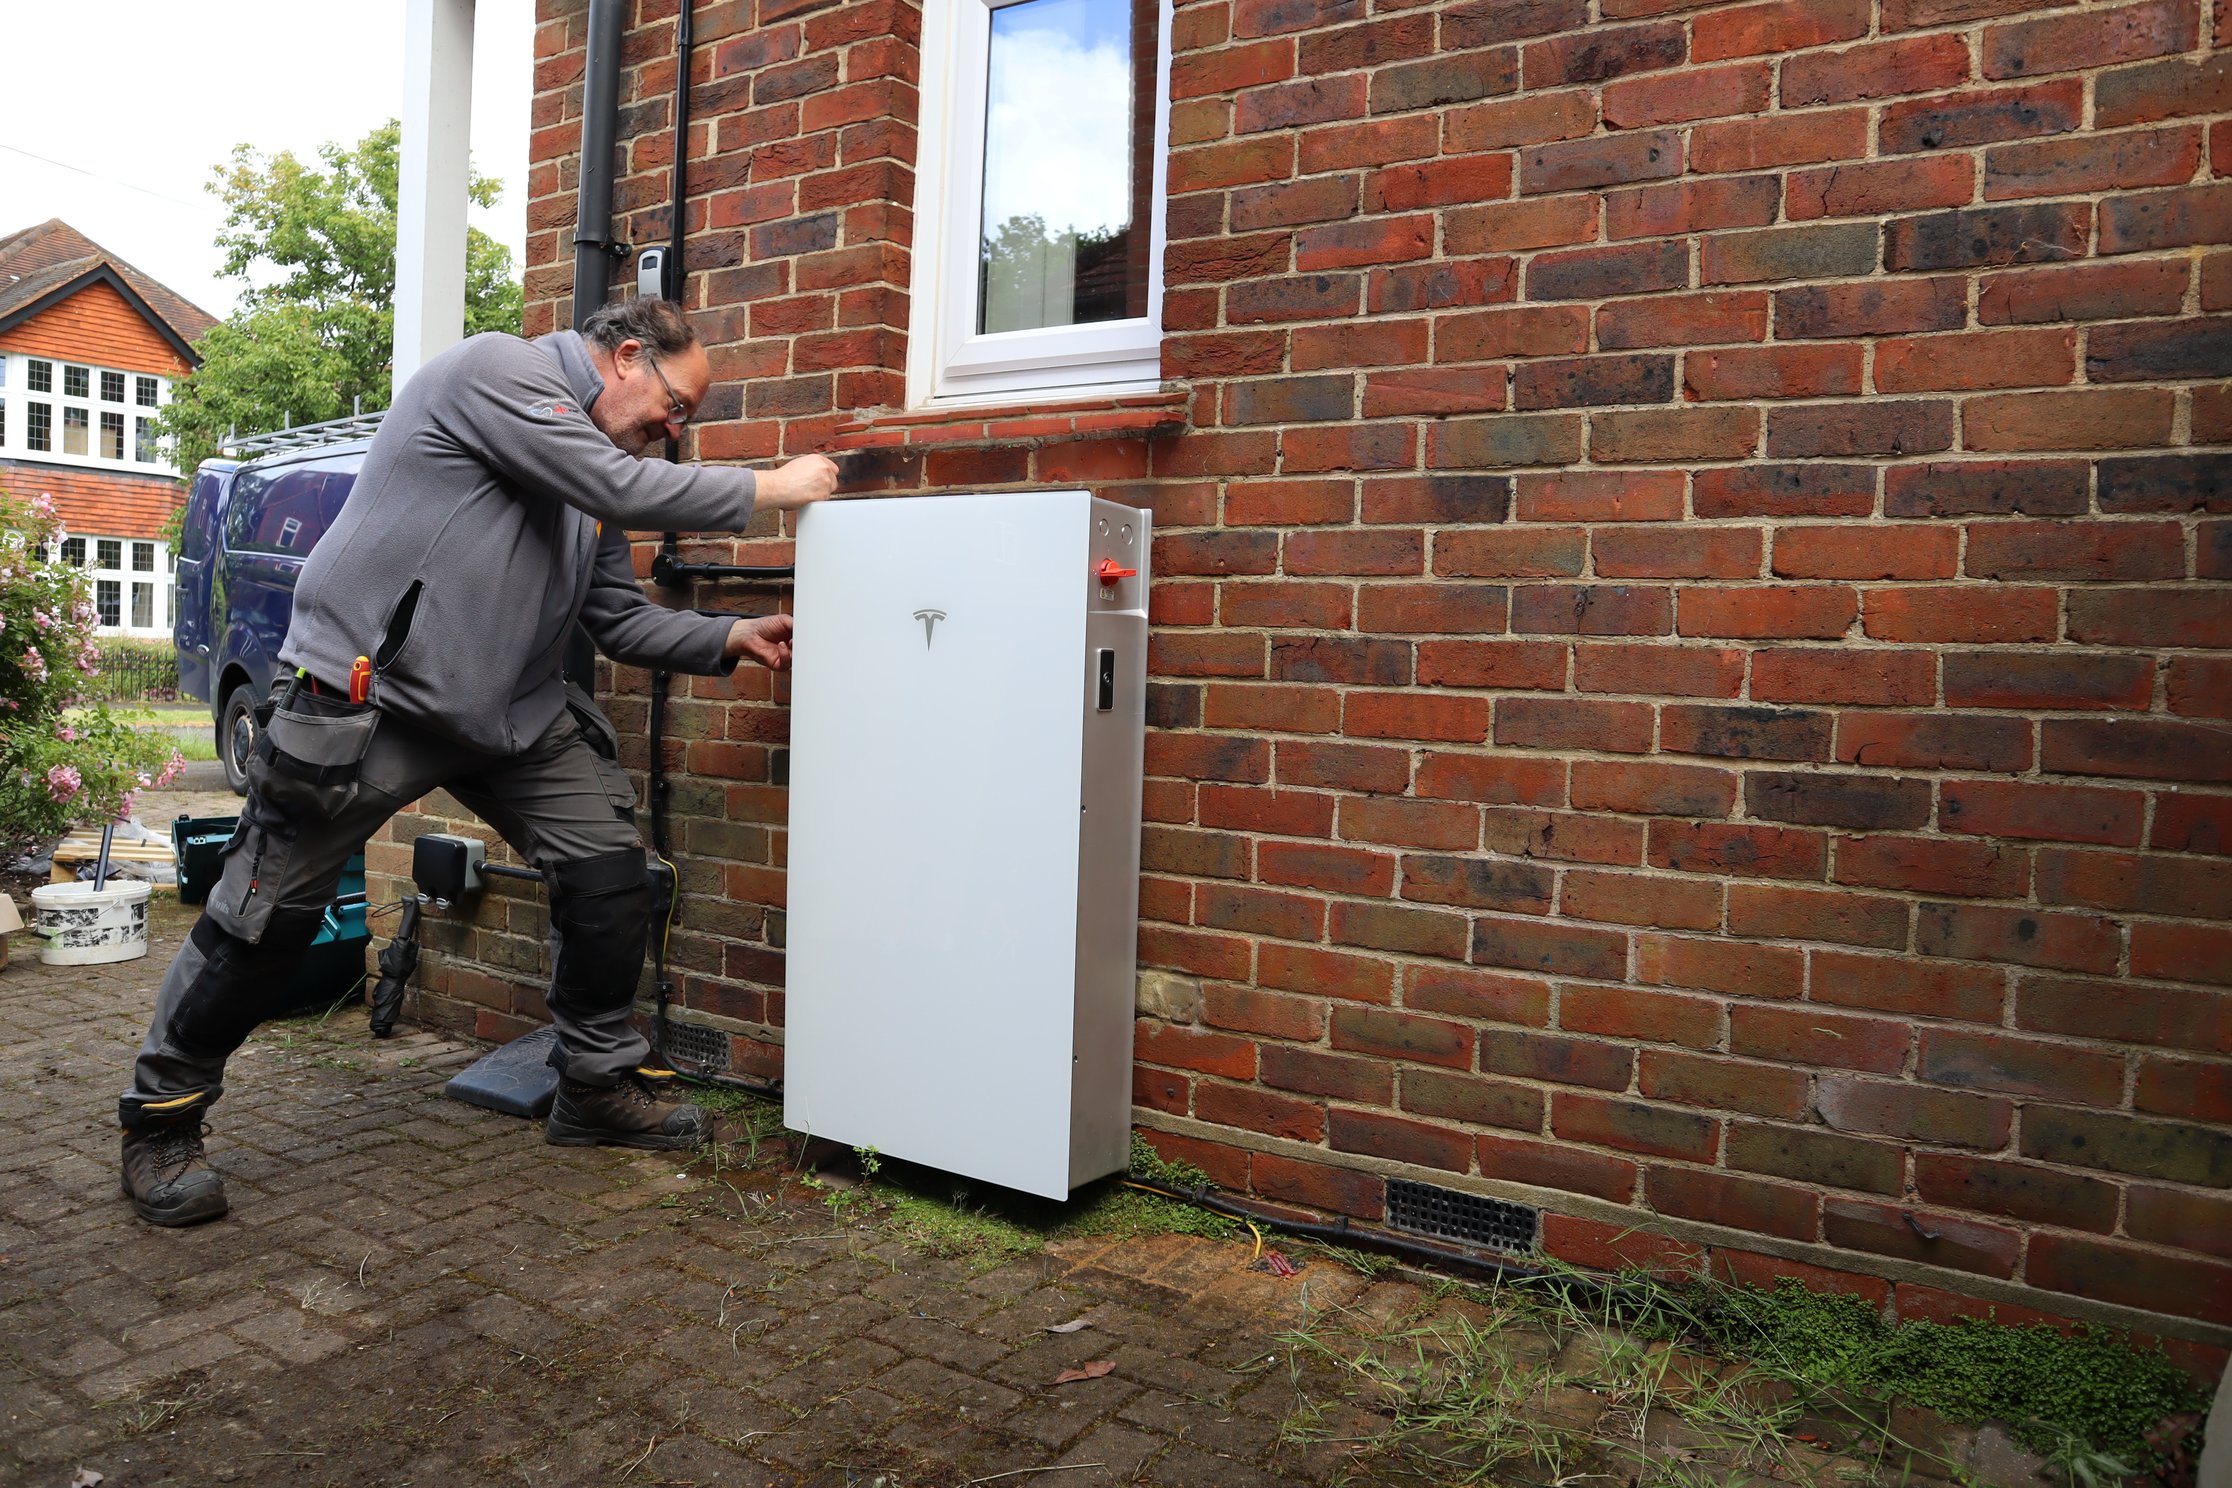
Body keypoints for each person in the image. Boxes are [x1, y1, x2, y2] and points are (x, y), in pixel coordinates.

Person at [118, 297, 838, 1226]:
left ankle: (593, 1085)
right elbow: (622, 488)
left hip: (509, 714)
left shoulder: (592, 480)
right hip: (374, 698)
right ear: (626, 357)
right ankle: (161, 1118)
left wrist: (730, 631)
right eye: (677, 405)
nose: (673, 430)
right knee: (266, 915)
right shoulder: (501, 372)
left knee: (610, 875)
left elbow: (616, 619)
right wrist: (774, 487)